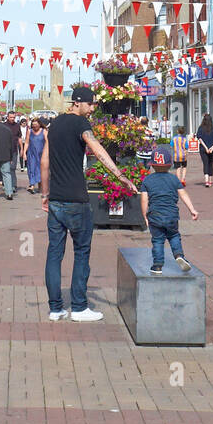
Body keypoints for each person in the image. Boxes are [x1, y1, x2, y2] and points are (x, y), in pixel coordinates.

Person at [39, 86, 137, 323]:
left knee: (54, 254)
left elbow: (44, 162)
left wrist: (45, 194)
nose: (93, 108)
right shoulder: (81, 125)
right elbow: (98, 150)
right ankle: (80, 307)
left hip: (56, 201)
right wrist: (121, 176)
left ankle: (55, 309)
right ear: (78, 103)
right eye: (91, 104)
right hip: (77, 201)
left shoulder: (53, 126)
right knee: (82, 253)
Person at [140, 145, 198, 273]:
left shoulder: (147, 180)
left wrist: (145, 216)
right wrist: (192, 209)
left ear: (152, 165)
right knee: (174, 235)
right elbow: (183, 194)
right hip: (172, 215)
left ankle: (157, 265)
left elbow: (144, 199)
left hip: (155, 215)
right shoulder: (173, 179)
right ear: (169, 165)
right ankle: (179, 256)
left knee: (158, 240)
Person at [196, 114, 213, 188]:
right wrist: (212, 148)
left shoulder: (200, 128)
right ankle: (210, 181)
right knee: (210, 164)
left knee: (205, 164)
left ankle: (206, 181)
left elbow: (200, 138)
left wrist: (206, 148)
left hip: (203, 149)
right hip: (211, 150)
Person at [24, 117, 46, 193]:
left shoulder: (44, 131)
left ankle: (40, 186)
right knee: (32, 168)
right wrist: (24, 153)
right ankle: (32, 185)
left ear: (39, 124)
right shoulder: (29, 131)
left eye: (36, 125)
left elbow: (47, 142)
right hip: (32, 154)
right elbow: (26, 142)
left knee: (40, 170)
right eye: (33, 125)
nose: (35, 127)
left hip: (41, 154)